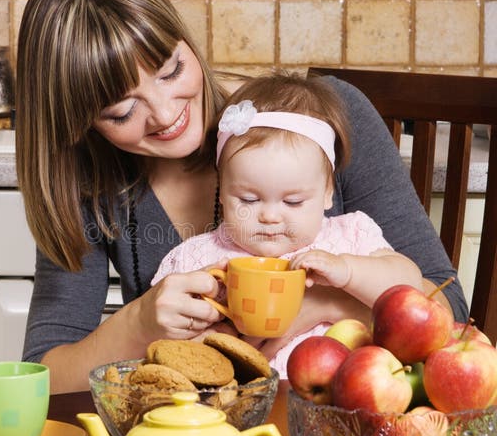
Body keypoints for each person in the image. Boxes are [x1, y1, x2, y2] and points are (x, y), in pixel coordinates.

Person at [16, 0, 467, 393]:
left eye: (172, 69)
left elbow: (448, 311)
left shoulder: (316, 121)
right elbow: (44, 379)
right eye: (122, 110)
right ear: (81, 122)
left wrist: (316, 304)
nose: (166, 113)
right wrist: (138, 324)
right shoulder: (91, 184)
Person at [150, 73, 424, 375]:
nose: (270, 216)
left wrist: (348, 271)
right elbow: (160, 337)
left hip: (344, 399)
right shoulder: (197, 258)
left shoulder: (350, 236)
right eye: (248, 200)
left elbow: (411, 290)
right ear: (222, 194)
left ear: (327, 192)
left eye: (293, 202)